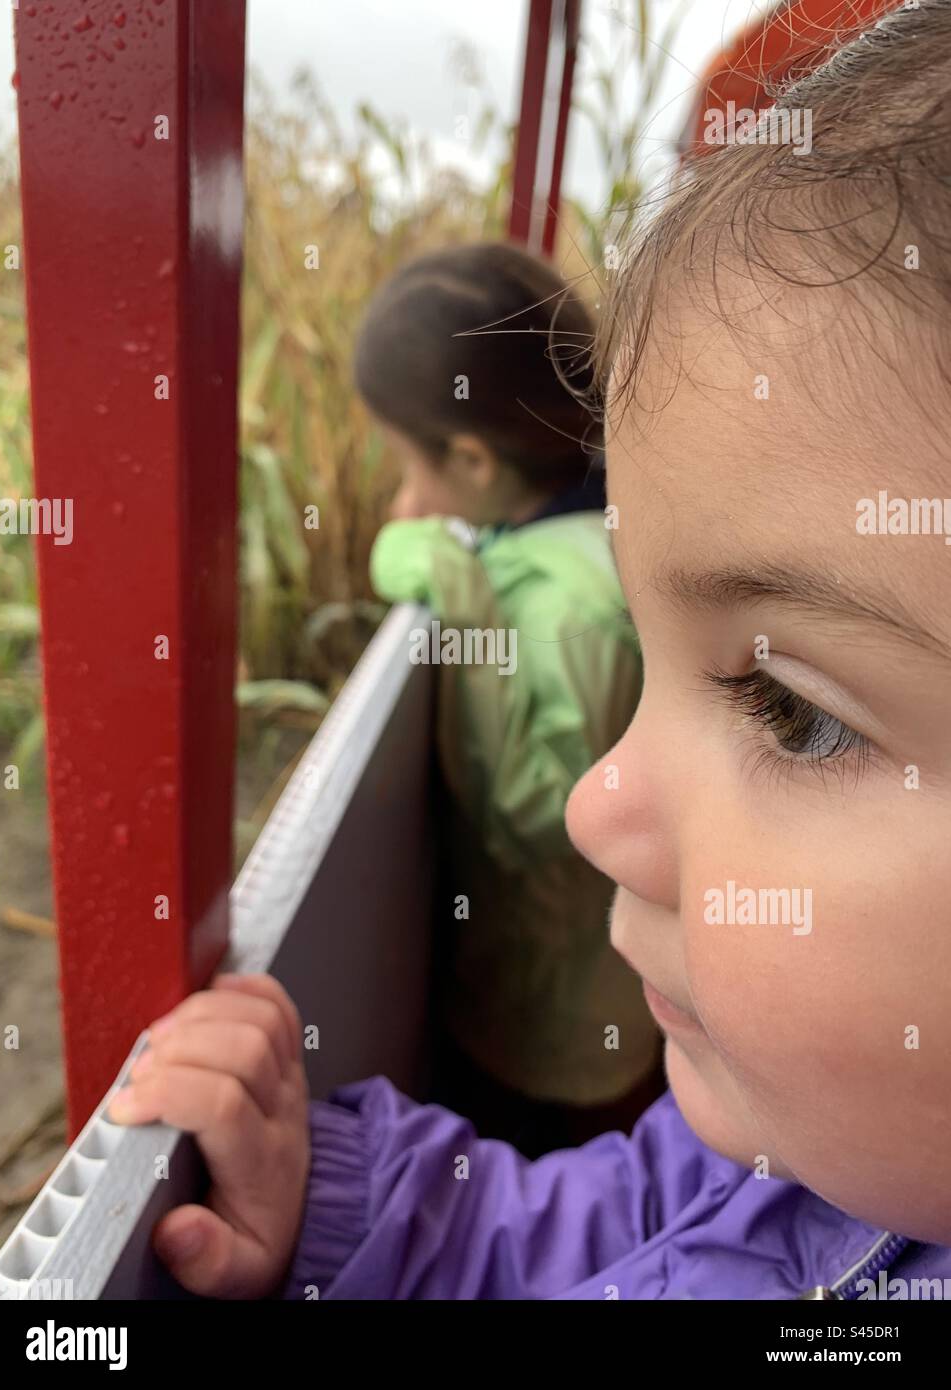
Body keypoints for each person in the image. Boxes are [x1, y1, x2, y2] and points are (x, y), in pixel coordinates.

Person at [109, 0, 951, 1300]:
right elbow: (637, 1207)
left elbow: (523, 806)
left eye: (791, 710)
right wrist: (342, 1202)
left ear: (463, 459)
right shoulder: (797, 1147)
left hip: (556, 1016)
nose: (594, 803)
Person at [355, 243, 663, 1154]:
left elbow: (530, 817)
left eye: (410, 467)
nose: (408, 499)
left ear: (474, 460)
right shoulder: (610, 516)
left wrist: (453, 580)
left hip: (558, 1035)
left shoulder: (564, 607)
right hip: (586, 1007)